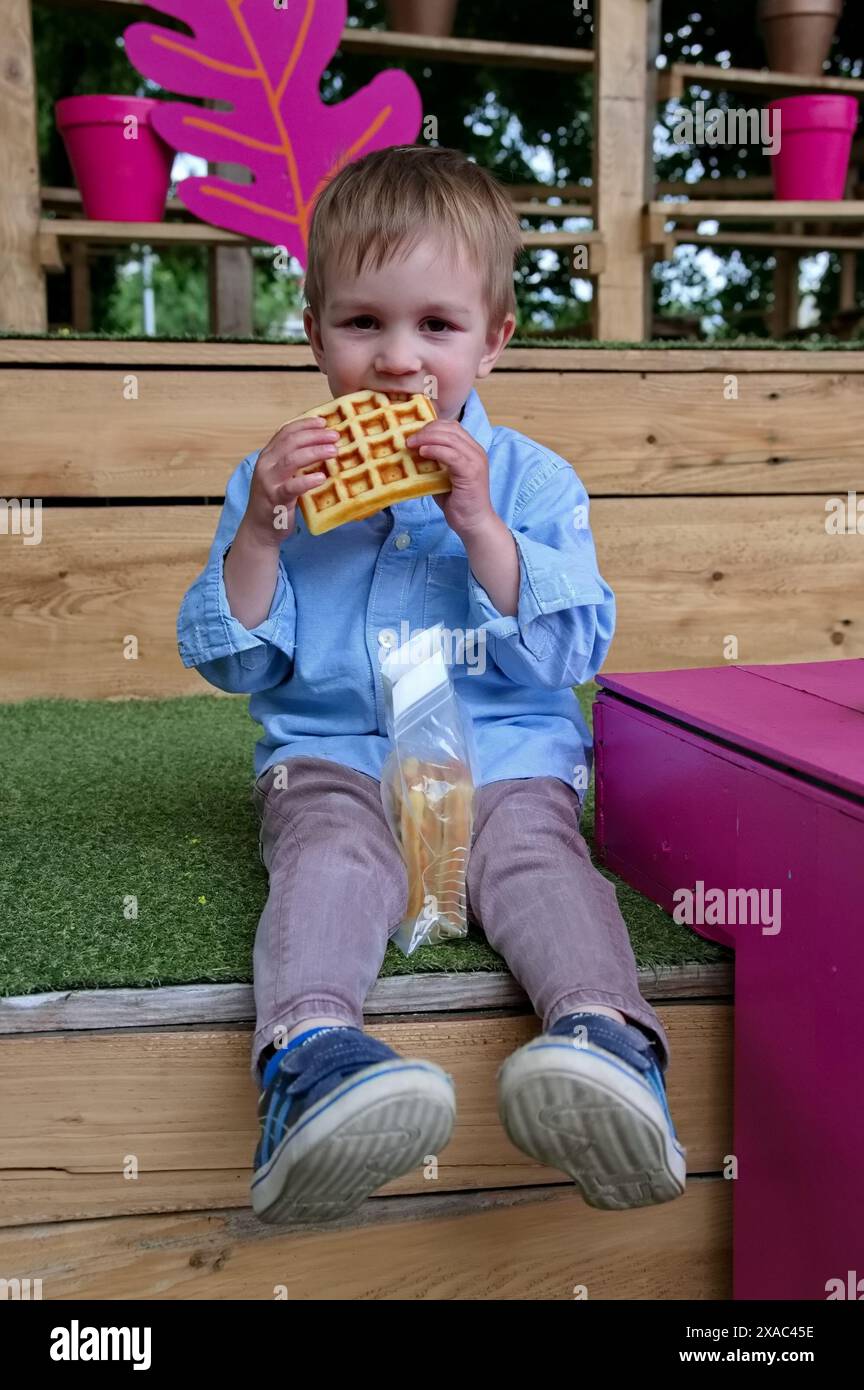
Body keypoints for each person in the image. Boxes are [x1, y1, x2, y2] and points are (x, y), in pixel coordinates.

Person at [177, 146, 685, 1227]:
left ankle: (607, 1043)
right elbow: (237, 661)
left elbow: (565, 656)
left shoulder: (533, 482)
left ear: (493, 339)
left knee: (540, 859)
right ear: (313, 334)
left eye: (436, 328)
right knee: (328, 854)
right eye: (362, 324)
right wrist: (265, 525)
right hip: (339, 756)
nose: (397, 364)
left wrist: (481, 526)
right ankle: (313, 1059)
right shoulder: (275, 484)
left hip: (501, 757)